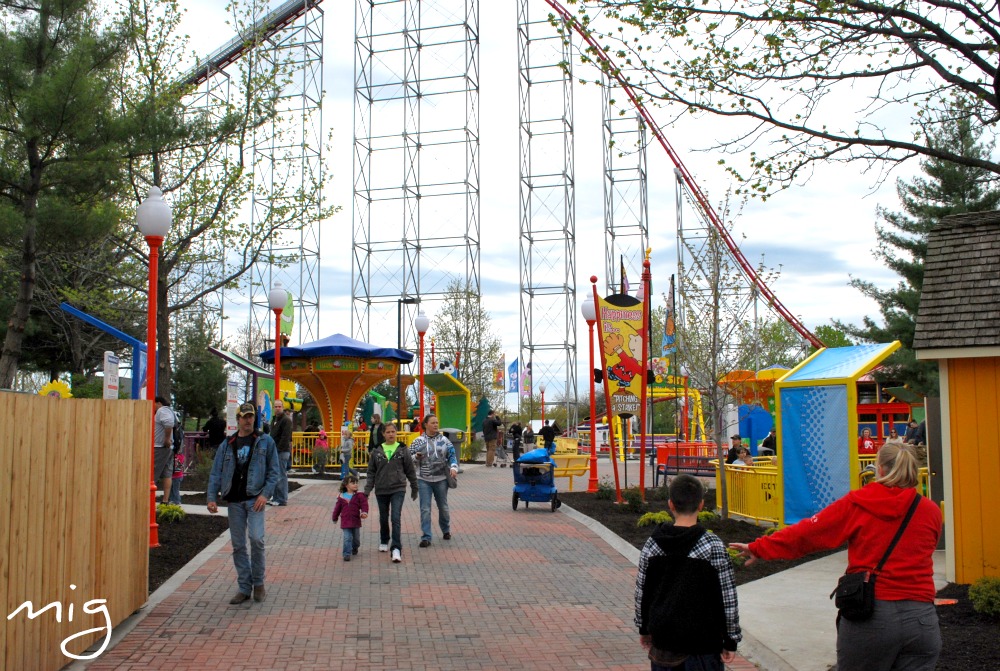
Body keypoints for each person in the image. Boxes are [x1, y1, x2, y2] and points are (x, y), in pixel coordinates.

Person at [731, 442, 942, 671]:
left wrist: (760, 547)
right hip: (922, 620)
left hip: (871, 616)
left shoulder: (859, 503)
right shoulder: (930, 511)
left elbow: (809, 534)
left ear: (879, 469)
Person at [635, 474, 741, 670]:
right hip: (703, 646)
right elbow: (728, 598)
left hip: (663, 644)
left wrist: (643, 627)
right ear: (701, 505)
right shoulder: (712, 546)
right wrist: (731, 639)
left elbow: (642, 592)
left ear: (670, 505)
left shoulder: (652, 545)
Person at [207, 402, 282, 605]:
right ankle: (244, 587)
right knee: (238, 545)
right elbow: (216, 472)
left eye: (251, 417)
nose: (248, 420)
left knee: (257, 539)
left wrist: (265, 494)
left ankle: (258, 584)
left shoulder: (265, 442)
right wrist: (211, 497)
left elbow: (274, 471)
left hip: (255, 499)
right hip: (235, 501)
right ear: (238, 419)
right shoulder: (228, 443)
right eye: (245, 416)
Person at [364, 422, 418, 563]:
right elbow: (371, 472)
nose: (391, 434)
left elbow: (410, 470)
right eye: (387, 432)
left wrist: (414, 486)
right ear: (383, 434)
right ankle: (384, 539)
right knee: (383, 517)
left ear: (396, 433)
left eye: (393, 432)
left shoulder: (402, 449)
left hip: (398, 488)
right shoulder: (377, 451)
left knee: (395, 517)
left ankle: (396, 548)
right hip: (381, 489)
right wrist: (367, 490)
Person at [410, 414, 458, 547]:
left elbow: (453, 456)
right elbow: (408, 457)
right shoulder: (417, 441)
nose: (436, 425)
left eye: (437, 422)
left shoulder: (445, 441)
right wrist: (416, 457)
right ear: (425, 425)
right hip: (423, 479)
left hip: (441, 479)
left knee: (443, 507)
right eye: (433, 423)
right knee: (425, 508)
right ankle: (426, 536)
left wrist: (454, 468)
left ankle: (446, 529)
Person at [331, 475, 369, 561]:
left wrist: (364, 512)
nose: (355, 484)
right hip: (345, 521)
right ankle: (346, 554)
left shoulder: (359, 495)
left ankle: (355, 547)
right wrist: (334, 517)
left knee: (356, 540)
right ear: (346, 485)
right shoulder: (341, 497)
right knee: (347, 538)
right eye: (353, 483)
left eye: (356, 483)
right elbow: (337, 509)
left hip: (356, 521)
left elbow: (364, 504)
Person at [268, 400, 293, 506]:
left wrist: (277, 450)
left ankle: (281, 499)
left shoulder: (286, 420)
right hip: (275, 451)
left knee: (281, 475)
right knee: (274, 474)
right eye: (276, 406)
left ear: (282, 407)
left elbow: (285, 437)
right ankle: (275, 497)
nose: (277, 408)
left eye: (279, 406)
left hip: (281, 452)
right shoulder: (275, 419)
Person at [153, 396, 176, 503]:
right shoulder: (170, 411)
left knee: (153, 474)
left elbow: (169, 423)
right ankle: (165, 500)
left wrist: (166, 439)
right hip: (168, 448)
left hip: (160, 448)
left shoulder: (162, 410)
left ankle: (149, 499)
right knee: (167, 473)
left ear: (158, 403)